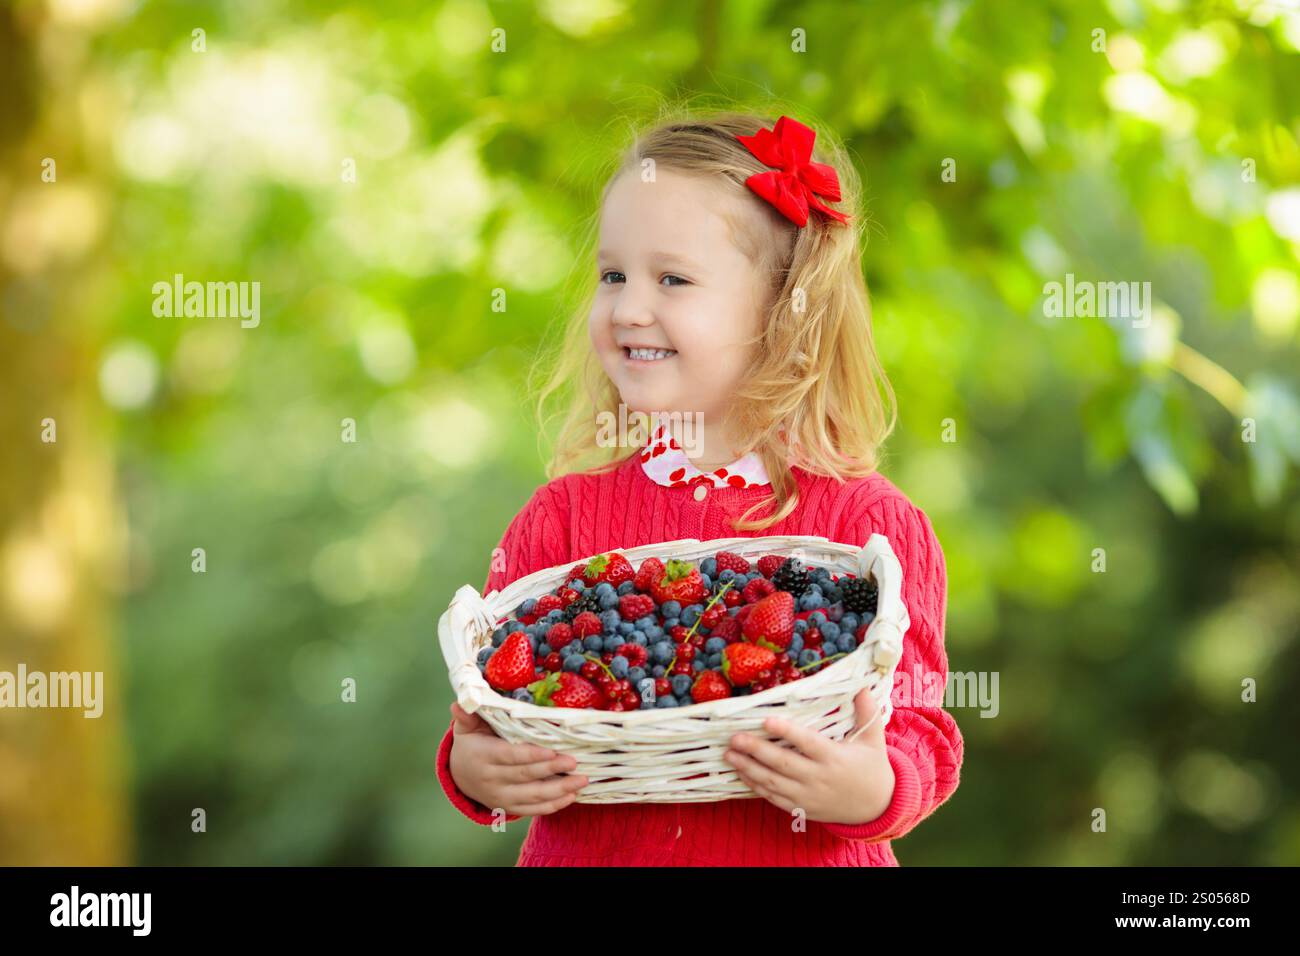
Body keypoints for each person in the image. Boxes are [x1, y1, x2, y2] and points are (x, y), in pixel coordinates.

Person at [436, 109, 963, 865]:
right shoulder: (560, 519)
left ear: (784, 313)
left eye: (672, 279)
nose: (628, 308)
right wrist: (473, 772)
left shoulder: (869, 524)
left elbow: (915, 729)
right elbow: (488, 714)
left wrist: (873, 788)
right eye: (612, 274)